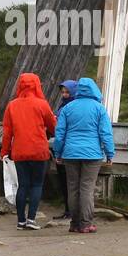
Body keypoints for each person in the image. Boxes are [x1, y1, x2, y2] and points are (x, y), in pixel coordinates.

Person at [51, 77, 115, 234]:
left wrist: (58, 152)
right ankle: (86, 224)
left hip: (70, 153)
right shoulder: (99, 109)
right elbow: (105, 133)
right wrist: (109, 153)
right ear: (94, 90)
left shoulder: (67, 108)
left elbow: (59, 134)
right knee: (86, 188)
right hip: (92, 154)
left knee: (73, 187)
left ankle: (74, 223)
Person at [0, 72, 56, 230]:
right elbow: (53, 126)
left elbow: (7, 132)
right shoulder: (41, 104)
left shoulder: (12, 105)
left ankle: (20, 221)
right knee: (37, 185)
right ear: (36, 85)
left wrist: (4, 151)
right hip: (38, 150)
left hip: (19, 151)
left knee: (22, 185)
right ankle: (31, 219)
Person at [54, 80, 78, 220]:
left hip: (67, 149)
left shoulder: (67, 108)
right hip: (69, 149)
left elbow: (60, 131)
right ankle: (70, 210)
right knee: (67, 182)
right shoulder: (64, 106)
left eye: (67, 92)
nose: (64, 94)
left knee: (69, 182)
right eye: (63, 92)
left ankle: (71, 211)